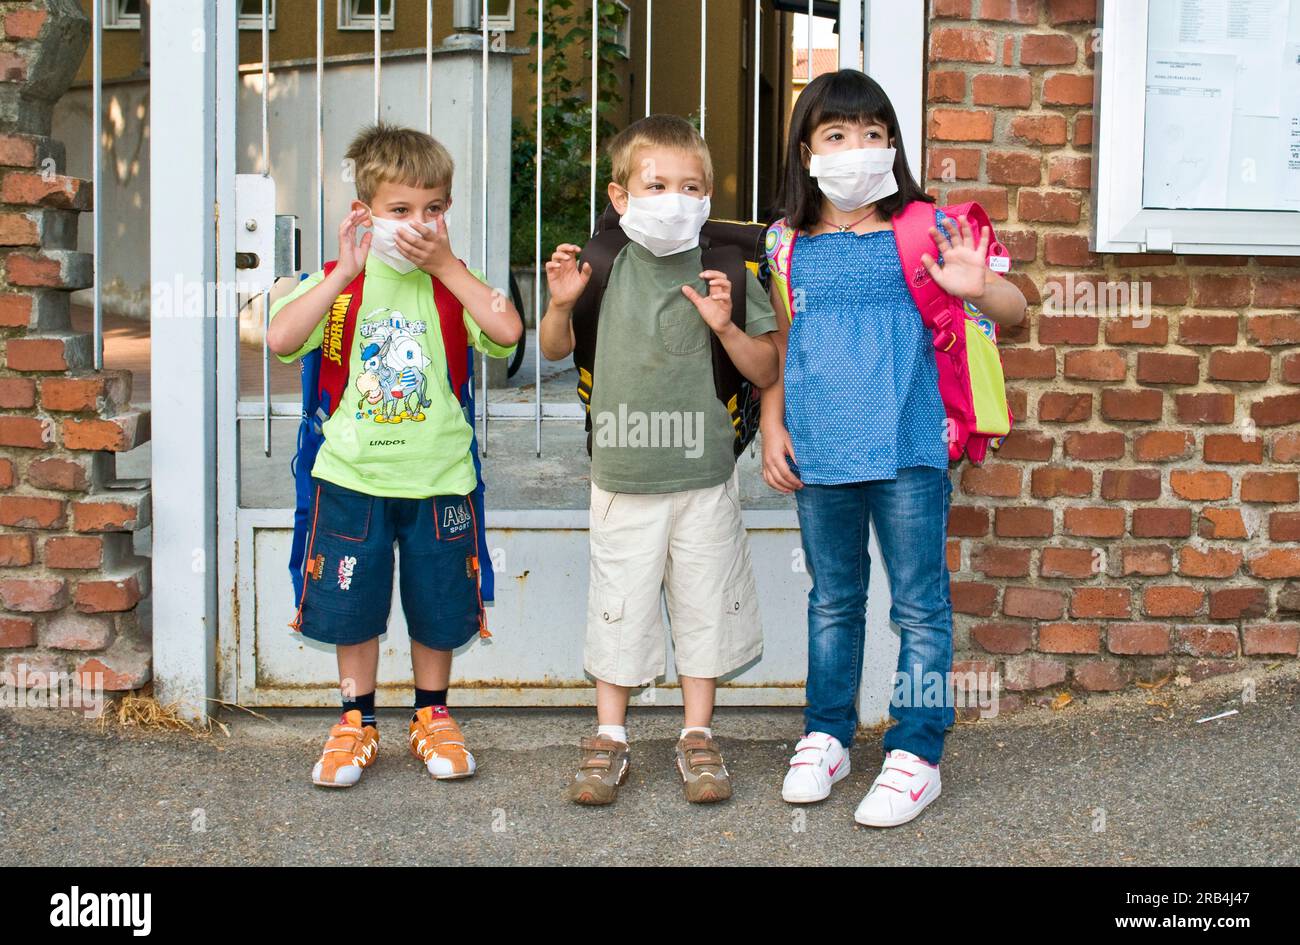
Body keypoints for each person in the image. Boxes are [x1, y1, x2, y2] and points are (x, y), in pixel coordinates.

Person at [762, 70, 1026, 826]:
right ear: (807, 150)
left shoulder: (926, 226)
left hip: (911, 444)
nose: (857, 149)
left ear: (893, 145)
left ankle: (916, 750)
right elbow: (785, 340)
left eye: (874, 134)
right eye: (838, 135)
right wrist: (774, 425)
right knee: (834, 600)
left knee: (918, 605)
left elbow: (1014, 307)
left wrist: (980, 288)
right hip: (821, 448)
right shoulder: (784, 243)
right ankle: (827, 735)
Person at [267, 123, 521, 788]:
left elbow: (505, 329)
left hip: (440, 478)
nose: (419, 224)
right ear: (366, 213)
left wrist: (447, 266)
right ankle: (356, 721)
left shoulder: (452, 282)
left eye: (433, 210)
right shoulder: (338, 284)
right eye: (400, 211)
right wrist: (345, 269)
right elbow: (281, 336)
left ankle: (432, 714)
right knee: (352, 606)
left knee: (440, 604)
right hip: (351, 478)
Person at [540, 114, 779, 805]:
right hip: (622, 480)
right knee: (619, 604)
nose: (675, 198)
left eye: (691, 186)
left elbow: (765, 368)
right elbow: (556, 349)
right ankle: (609, 735)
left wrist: (726, 325)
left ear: (708, 197)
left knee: (705, 603)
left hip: (705, 478)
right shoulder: (601, 267)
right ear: (620, 197)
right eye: (657, 184)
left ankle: (697, 733)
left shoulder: (729, 269)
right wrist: (559, 305)